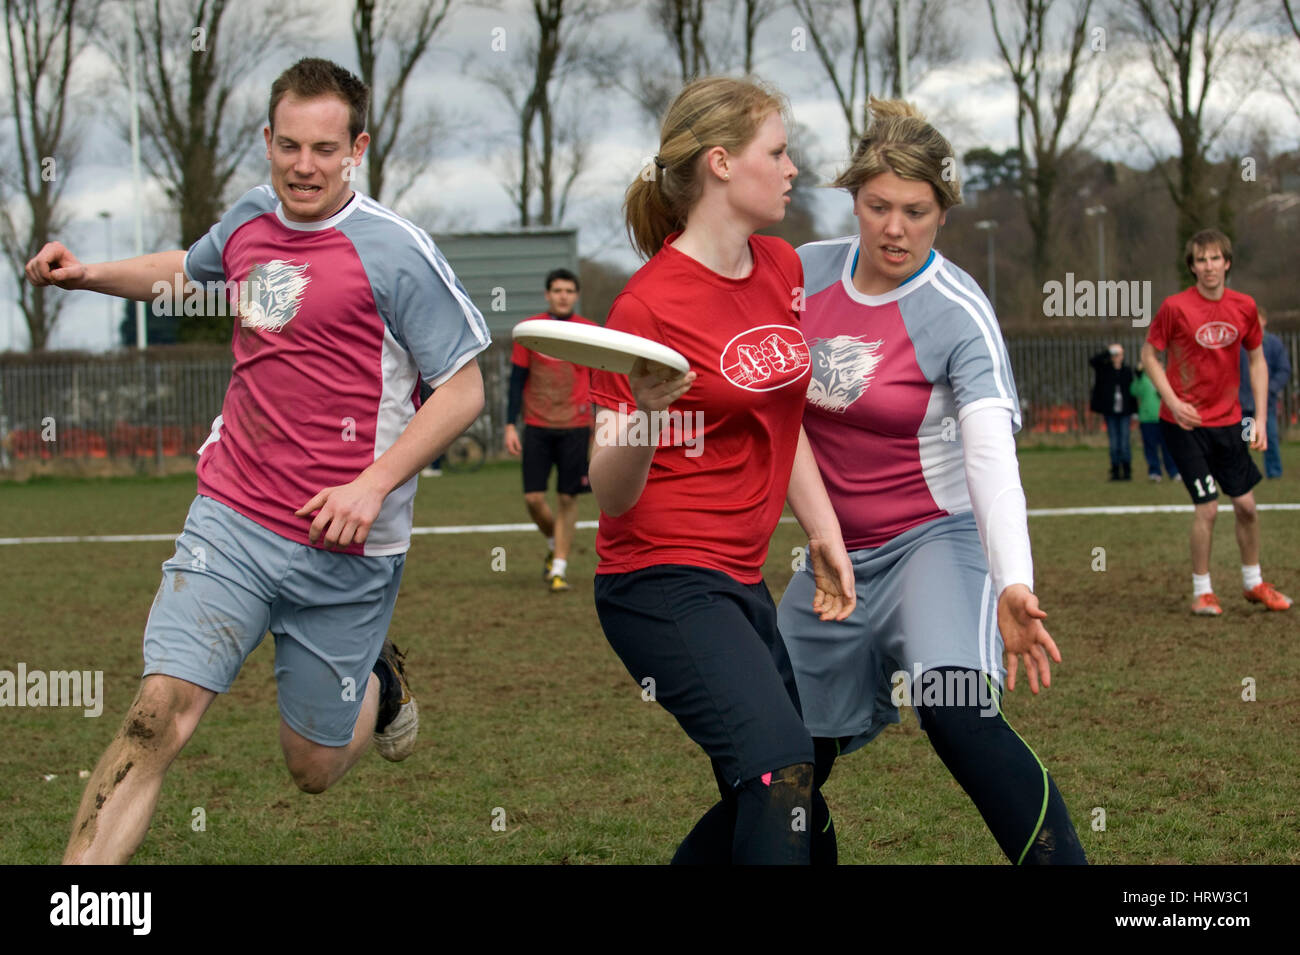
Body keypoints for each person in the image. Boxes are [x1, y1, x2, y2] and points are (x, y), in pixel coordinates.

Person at [24, 58, 490, 863]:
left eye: (323, 148)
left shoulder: (398, 252)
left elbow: (464, 389)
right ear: (267, 140)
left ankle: (378, 692)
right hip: (232, 515)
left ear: (357, 148)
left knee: (311, 766)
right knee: (155, 713)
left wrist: (372, 484)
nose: (303, 165)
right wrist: (90, 274)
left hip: (347, 544)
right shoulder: (247, 221)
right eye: (288, 146)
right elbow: (189, 274)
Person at [777, 98, 1087, 865]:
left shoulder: (959, 313)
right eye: (877, 205)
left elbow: (990, 458)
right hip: (830, 556)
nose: (894, 227)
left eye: (916, 210)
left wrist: (1014, 580)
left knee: (955, 713)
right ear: (853, 197)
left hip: (933, 545)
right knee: (780, 758)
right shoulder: (801, 275)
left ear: (944, 211)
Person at [587, 76, 856, 865]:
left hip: (740, 578)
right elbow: (610, 488)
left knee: (806, 762)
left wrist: (824, 527)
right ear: (721, 164)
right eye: (777, 151)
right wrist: (645, 410)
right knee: (782, 769)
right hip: (656, 582)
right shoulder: (644, 308)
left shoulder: (781, 269)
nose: (792, 167)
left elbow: (783, 412)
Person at [1141, 229, 1291, 615]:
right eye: (1201, 260)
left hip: (1230, 423)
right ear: (1192, 267)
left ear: (1227, 263)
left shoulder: (1244, 306)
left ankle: (1254, 583)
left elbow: (1258, 360)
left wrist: (1258, 417)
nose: (1209, 266)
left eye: (1215, 258)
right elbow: (1149, 356)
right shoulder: (1175, 307)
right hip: (1184, 425)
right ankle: (1202, 592)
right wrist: (1173, 403)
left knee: (1247, 507)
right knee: (1208, 508)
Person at [504, 268, 596, 592]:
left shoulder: (591, 332)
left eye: (569, 290)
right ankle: (554, 540)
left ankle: (558, 568)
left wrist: (601, 426)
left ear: (576, 295)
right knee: (533, 499)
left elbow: (602, 380)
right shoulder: (531, 331)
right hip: (537, 426)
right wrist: (509, 424)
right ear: (547, 294)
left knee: (568, 498)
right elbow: (516, 380)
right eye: (557, 290)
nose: (563, 296)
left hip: (576, 427)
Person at [1237, 307, 1290, 479]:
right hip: (1245, 403)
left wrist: (1270, 389)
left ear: (1264, 320)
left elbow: (1283, 370)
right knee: (1244, 441)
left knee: (1270, 438)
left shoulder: (1273, 344)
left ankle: (1274, 472)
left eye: (1257, 318)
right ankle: (1244, 473)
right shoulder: (1239, 345)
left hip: (1266, 405)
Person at [1090, 343, 1137, 480]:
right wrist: (1108, 352)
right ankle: (1115, 470)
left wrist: (1134, 411)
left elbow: (1131, 392)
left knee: (1124, 442)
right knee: (1114, 442)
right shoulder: (1105, 369)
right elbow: (1093, 361)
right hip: (1110, 411)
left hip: (1125, 412)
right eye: (1115, 355)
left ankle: (1127, 470)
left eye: (1119, 354)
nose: (1117, 357)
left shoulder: (1127, 371)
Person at [1131, 365, 1180, 482]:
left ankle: (1173, 471)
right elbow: (1134, 391)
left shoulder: (1167, 377)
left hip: (1165, 418)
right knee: (1150, 447)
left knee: (1168, 447)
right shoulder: (1143, 378)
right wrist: (1138, 378)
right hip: (1147, 419)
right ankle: (1154, 472)